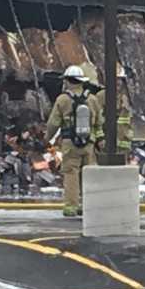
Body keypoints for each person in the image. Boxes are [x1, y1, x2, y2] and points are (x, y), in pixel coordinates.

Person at [46, 65, 103, 217]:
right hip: (89, 144)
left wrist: (47, 138)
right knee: (88, 175)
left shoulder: (63, 99)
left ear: (67, 81)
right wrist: (98, 140)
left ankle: (71, 207)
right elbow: (99, 122)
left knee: (71, 174)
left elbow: (53, 123)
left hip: (70, 144)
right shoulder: (92, 99)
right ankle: (87, 206)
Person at [94, 65, 133, 158]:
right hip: (105, 144)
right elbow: (95, 119)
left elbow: (127, 123)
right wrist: (100, 139)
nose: (118, 82)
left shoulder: (125, 98)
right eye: (116, 79)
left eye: (121, 80)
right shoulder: (101, 96)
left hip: (122, 148)